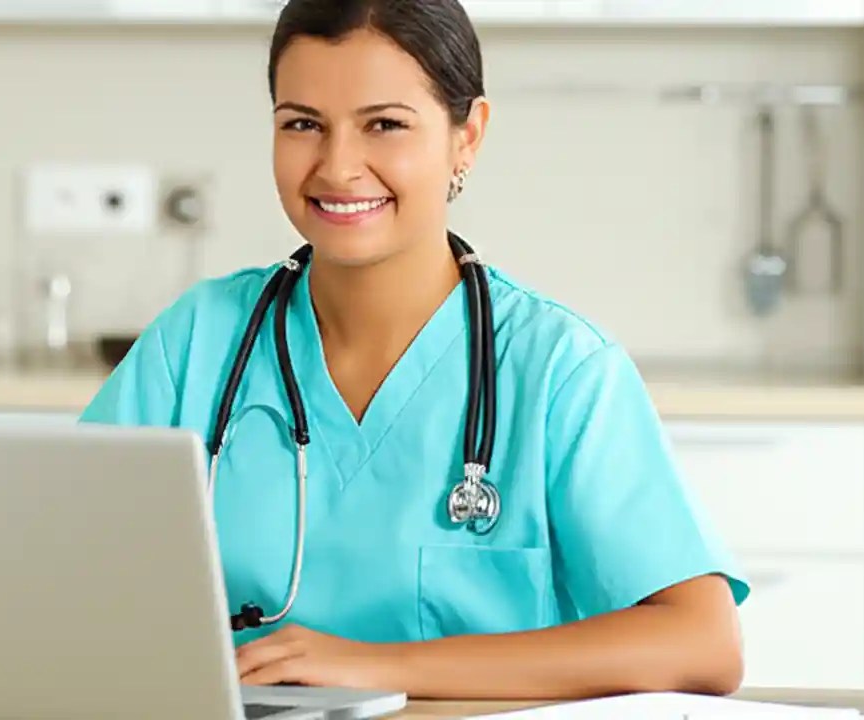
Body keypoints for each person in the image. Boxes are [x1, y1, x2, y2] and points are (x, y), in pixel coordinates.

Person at [79, 0, 749, 701]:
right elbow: (44, 565)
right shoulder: (198, 341)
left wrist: (377, 669)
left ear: (468, 136)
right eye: (303, 124)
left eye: (386, 125)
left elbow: (703, 644)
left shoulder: (558, 370)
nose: (337, 167)